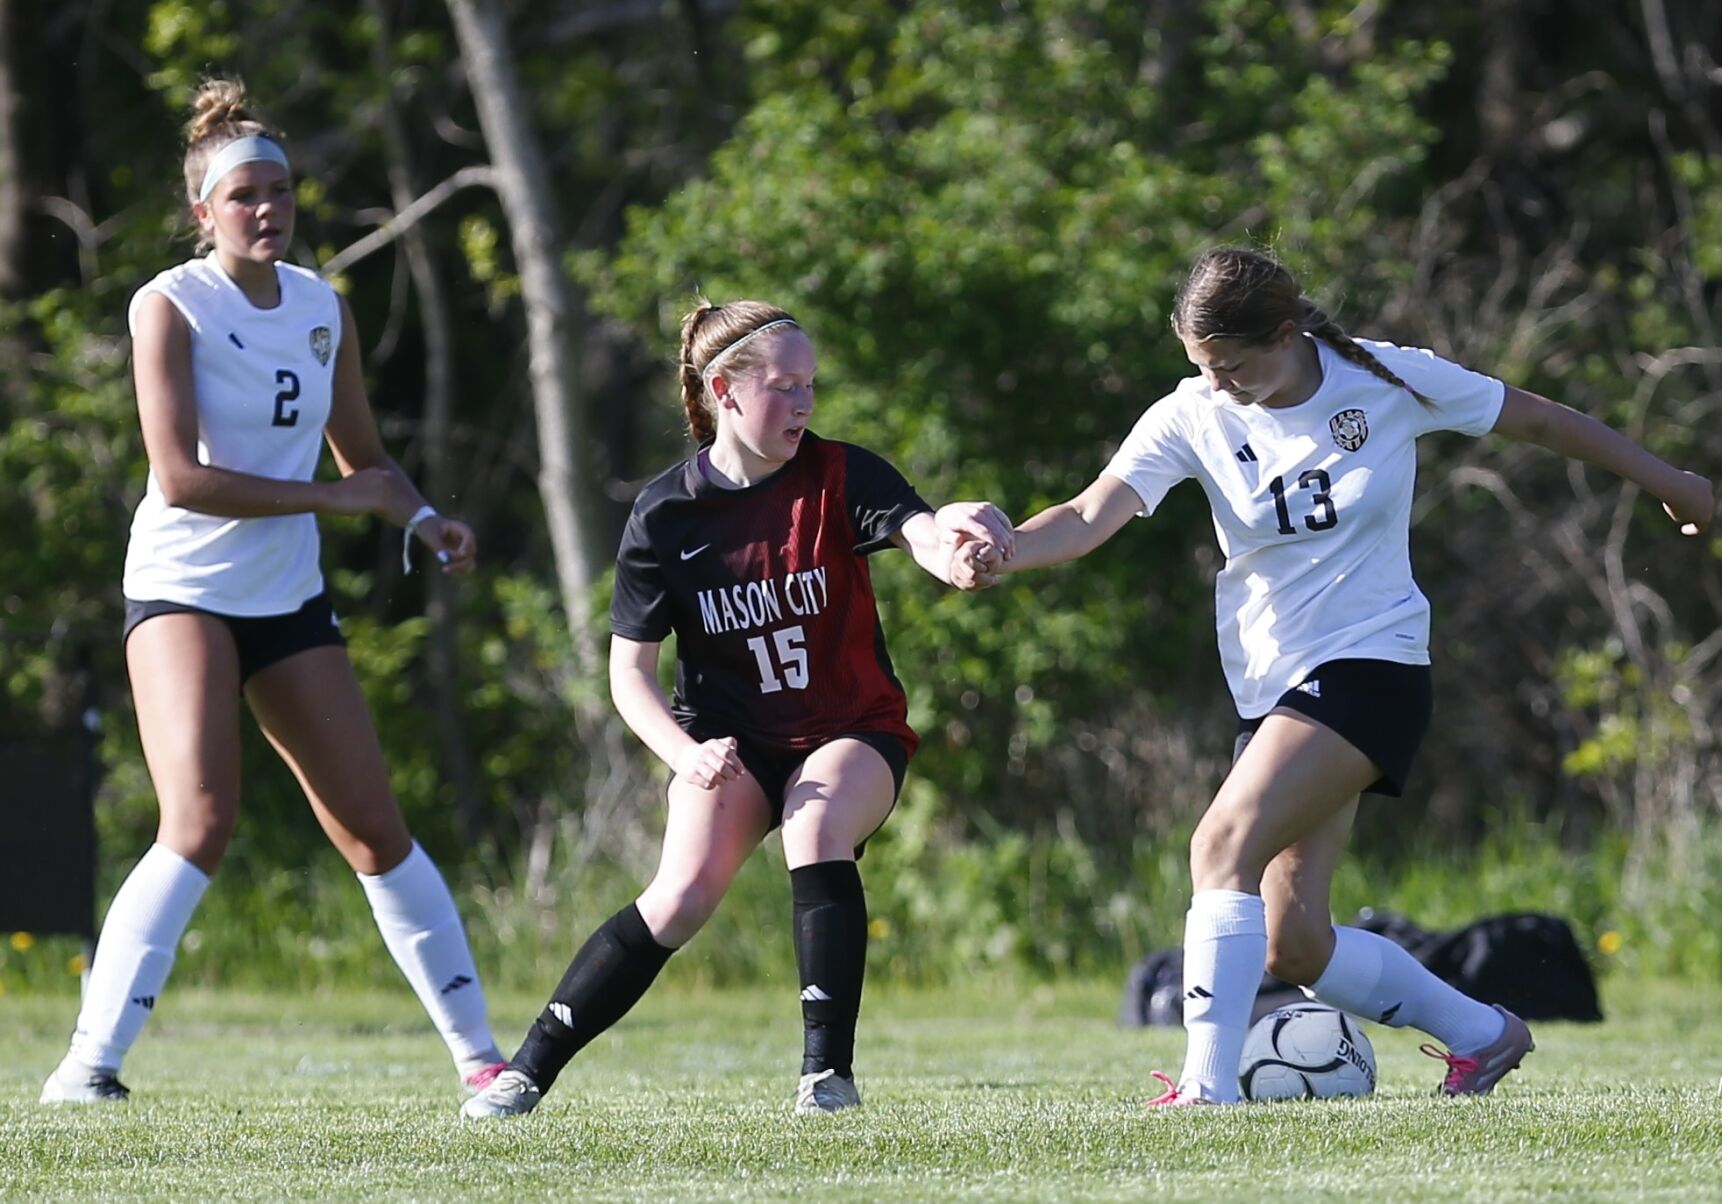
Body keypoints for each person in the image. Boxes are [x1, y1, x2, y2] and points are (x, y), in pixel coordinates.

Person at [957, 247, 1713, 1105]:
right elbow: (1093, 514)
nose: (1219, 385)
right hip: (1271, 685)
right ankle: (1484, 1033)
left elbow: (1537, 420)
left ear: (1287, 334)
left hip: (1371, 664)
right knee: (1295, 943)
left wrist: (1672, 482)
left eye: (1233, 367)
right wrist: (1009, 547)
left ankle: (1206, 1090)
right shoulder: (1193, 410)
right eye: (1203, 368)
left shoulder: (1387, 379)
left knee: (1218, 846)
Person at [40, 79, 507, 1103]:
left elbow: (366, 460)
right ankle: (88, 1066)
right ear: (203, 212)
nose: (267, 209)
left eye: (281, 192)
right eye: (243, 194)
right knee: (200, 818)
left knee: (374, 826)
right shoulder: (168, 303)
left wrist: (426, 520)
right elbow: (181, 479)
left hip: (285, 597)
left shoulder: (319, 304)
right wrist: (337, 503)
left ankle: (483, 1062)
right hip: (182, 590)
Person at [462, 299, 1012, 1119]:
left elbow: (923, 535)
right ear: (724, 389)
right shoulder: (666, 515)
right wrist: (684, 755)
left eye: (810, 386)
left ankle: (826, 1078)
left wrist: (960, 544)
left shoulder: (841, 474)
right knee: (679, 897)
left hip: (850, 727)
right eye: (785, 387)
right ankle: (527, 1070)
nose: (804, 404)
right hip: (729, 742)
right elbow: (629, 675)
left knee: (815, 826)